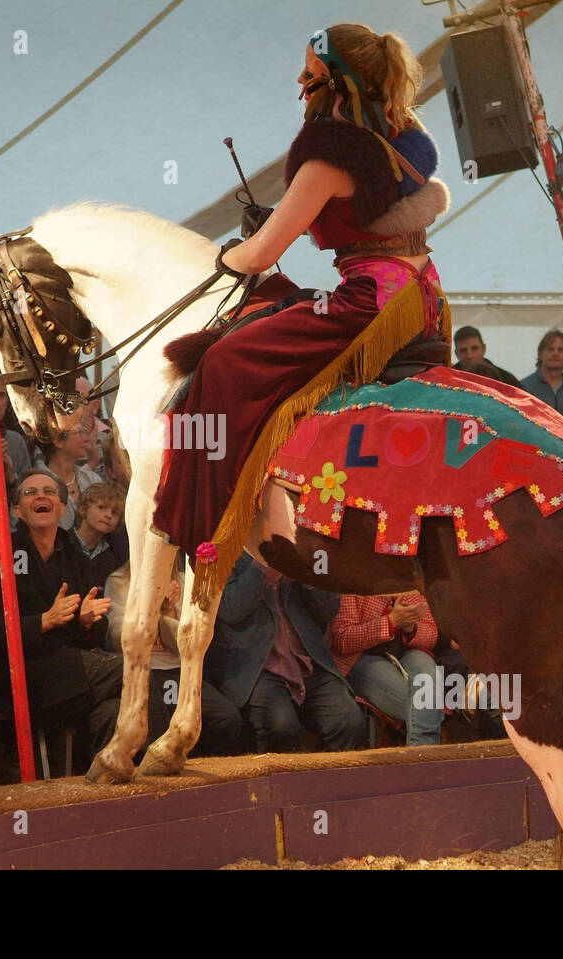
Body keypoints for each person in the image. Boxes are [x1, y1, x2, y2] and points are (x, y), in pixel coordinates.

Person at [153, 24, 452, 604]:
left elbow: (262, 254)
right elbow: (361, 213)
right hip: (423, 295)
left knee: (227, 359)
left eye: (309, 69)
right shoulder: (401, 134)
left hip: (370, 302)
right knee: (281, 303)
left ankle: (209, 525)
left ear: (335, 79)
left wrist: (227, 254)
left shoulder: (326, 155)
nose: (299, 79)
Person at [0, 468, 120, 763]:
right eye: (30, 492)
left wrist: (86, 622)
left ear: (63, 508)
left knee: (116, 709)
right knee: (129, 672)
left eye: (49, 492)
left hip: (71, 674)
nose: (41, 496)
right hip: (21, 674)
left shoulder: (74, 555)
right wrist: (44, 621)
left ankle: (102, 782)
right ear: (17, 510)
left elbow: (96, 629)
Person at [206, 554, 366, 753]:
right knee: (281, 726)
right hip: (257, 668)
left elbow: (329, 610)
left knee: (349, 720)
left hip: (308, 661)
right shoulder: (220, 545)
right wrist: (262, 567)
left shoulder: (302, 544)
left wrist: (309, 573)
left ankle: (327, 782)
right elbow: (230, 610)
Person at [104, 560, 246, 757]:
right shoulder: (119, 581)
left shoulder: (184, 581)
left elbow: (186, 644)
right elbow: (116, 638)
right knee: (153, 721)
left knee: (227, 718)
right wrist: (152, 612)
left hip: (179, 672)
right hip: (142, 672)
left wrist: (169, 611)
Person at [327, 590, 447, 745]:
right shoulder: (352, 580)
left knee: (427, 687)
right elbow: (343, 640)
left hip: (406, 651)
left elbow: (432, 635)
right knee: (424, 707)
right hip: (360, 657)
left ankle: (421, 757)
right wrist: (391, 622)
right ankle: (422, 759)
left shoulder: (406, 580)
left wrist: (411, 628)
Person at [39, 422, 103, 530]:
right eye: (79, 433)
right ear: (58, 441)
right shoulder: (36, 485)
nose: (86, 438)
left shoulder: (93, 480)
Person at [519, 329, 563, 421]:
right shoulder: (524, 388)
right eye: (550, 349)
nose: (555, 353)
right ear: (540, 354)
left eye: (560, 350)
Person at [73, 481, 124, 589]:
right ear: (83, 509)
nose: (108, 515)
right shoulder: (61, 544)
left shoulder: (110, 559)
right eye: (101, 507)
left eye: (114, 513)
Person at [452, 325, 520, 386]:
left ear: (484, 349)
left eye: (474, 348)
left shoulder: (507, 380)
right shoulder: (449, 379)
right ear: (456, 354)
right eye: (463, 350)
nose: (470, 355)